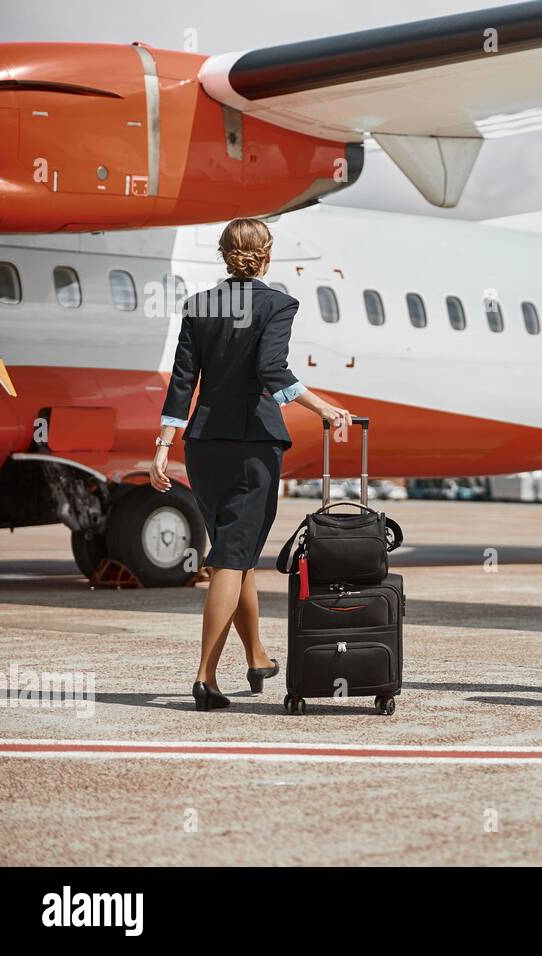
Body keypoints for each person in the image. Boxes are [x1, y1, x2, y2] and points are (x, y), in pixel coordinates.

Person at [151, 218, 353, 712]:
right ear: (266, 255)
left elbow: (182, 381)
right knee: (230, 557)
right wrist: (324, 407)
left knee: (233, 550)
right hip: (251, 446)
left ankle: (257, 655)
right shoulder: (277, 304)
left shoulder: (199, 307)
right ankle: (204, 677)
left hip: (202, 446)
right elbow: (272, 371)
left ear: (224, 254)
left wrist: (163, 445)